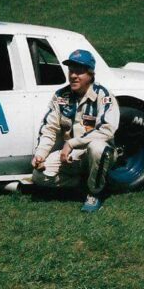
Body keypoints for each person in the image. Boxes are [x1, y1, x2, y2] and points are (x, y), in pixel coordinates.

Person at [31, 49, 119, 212]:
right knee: (38, 176)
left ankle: (94, 193)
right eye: (71, 71)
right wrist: (40, 155)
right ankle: (86, 183)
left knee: (98, 148)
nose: (73, 76)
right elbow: (49, 129)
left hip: (96, 153)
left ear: (90, 74)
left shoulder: (104, 96)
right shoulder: (61, 96)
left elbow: (107, 130)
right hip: (70, 156)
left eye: (79, 71)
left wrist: (71, 143)